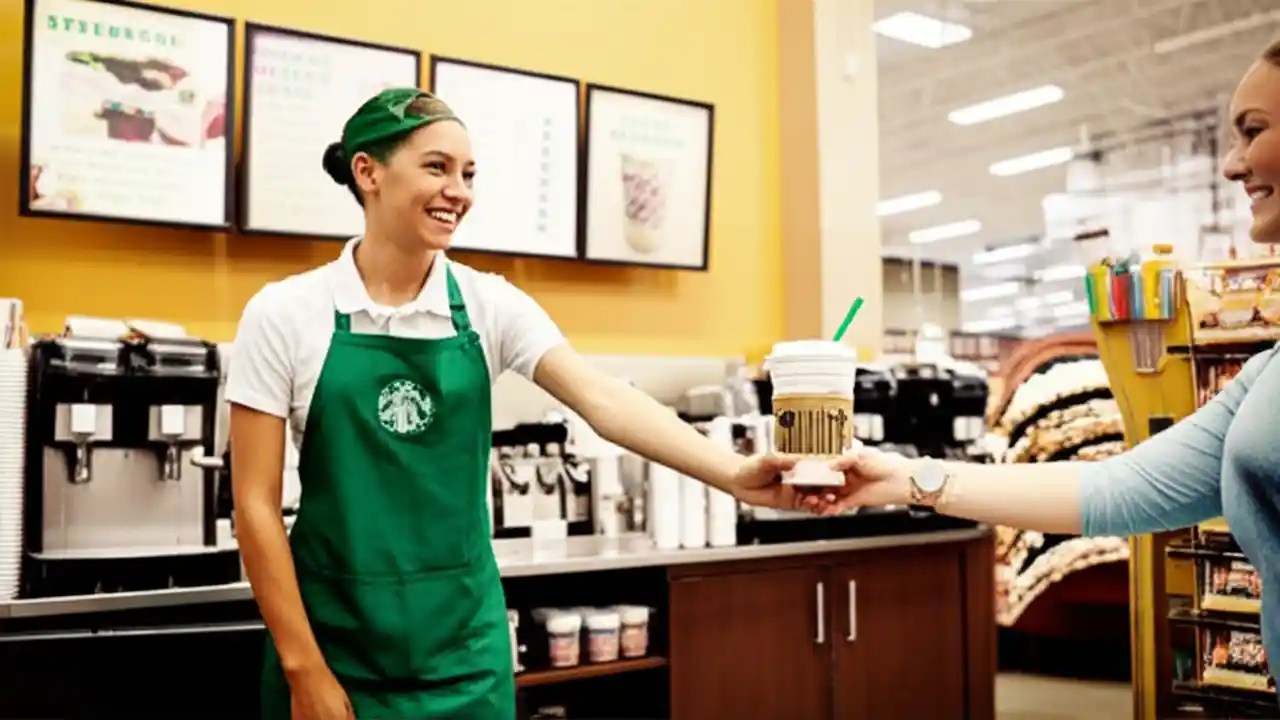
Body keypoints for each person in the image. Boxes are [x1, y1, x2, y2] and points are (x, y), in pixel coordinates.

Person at [226, 87, 822, 720]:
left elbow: (604, 399)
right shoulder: (285, 314)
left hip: (464, 653)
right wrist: (304, 668)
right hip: (335, 650)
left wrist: (733, 474)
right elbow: (255, 504)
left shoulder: (490, 306)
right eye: (437, 167)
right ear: (367, 171)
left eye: (468, 173)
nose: (459, 190)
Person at [820, 40, 1280, 701]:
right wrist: (901, 477)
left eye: (1253, 131)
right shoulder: (1268, 376)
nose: (1232, 165)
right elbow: (1121, 489)